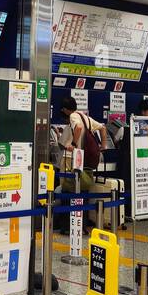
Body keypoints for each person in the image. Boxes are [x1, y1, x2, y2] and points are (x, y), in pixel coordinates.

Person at [60, 95, 110, 226]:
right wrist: (103, 146)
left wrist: (74, 144)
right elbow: (103, 128)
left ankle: (69, 224)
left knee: (68, 187)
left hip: (73, 158)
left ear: (65, 109)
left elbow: (78, 128)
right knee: (82, 188)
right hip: (83, 159)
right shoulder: (85, 117)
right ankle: (82, 222)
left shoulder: (73, 116)